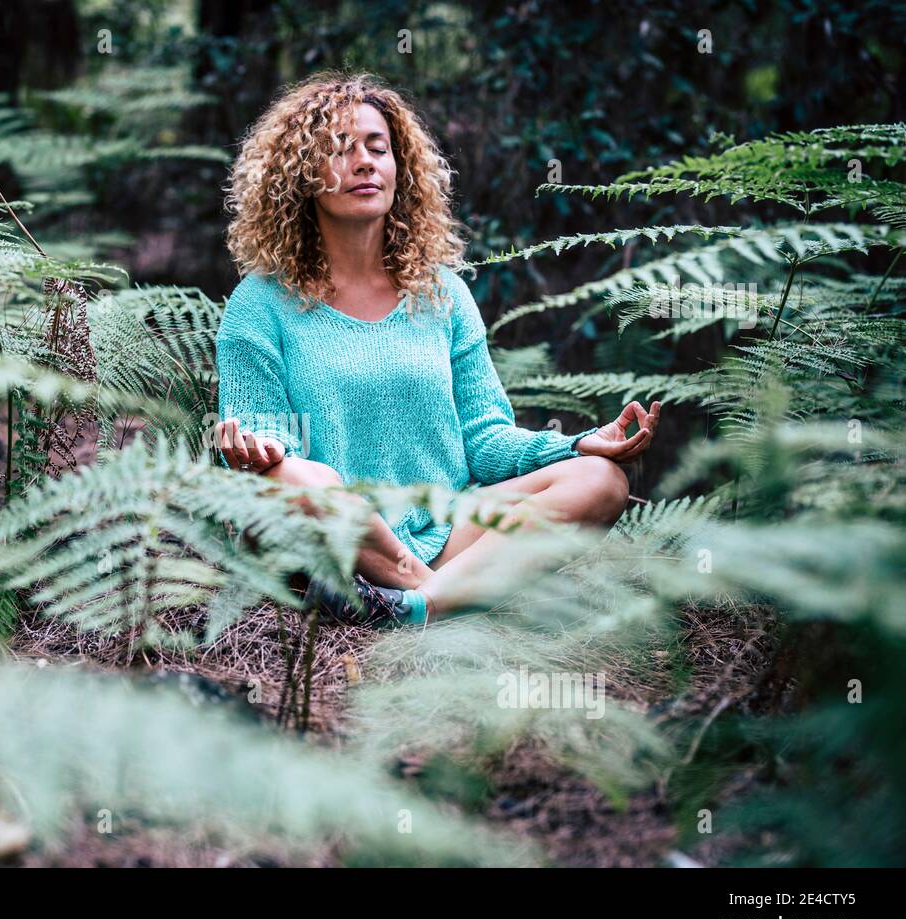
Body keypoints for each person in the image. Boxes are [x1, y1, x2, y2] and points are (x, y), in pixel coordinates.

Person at [212, 71, 661, 626]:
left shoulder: (442, 293)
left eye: (379, 148)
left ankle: (414, 608)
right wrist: (259, 450)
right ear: (300, 175)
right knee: (295, 479)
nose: (364, 162)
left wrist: (578, 445)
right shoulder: (259, 304)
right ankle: (437, 597)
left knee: (599, 481)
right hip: (338, 545)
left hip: (446, 531)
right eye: (339, 149)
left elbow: (484, 439)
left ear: (401, 169)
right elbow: (265, 436)